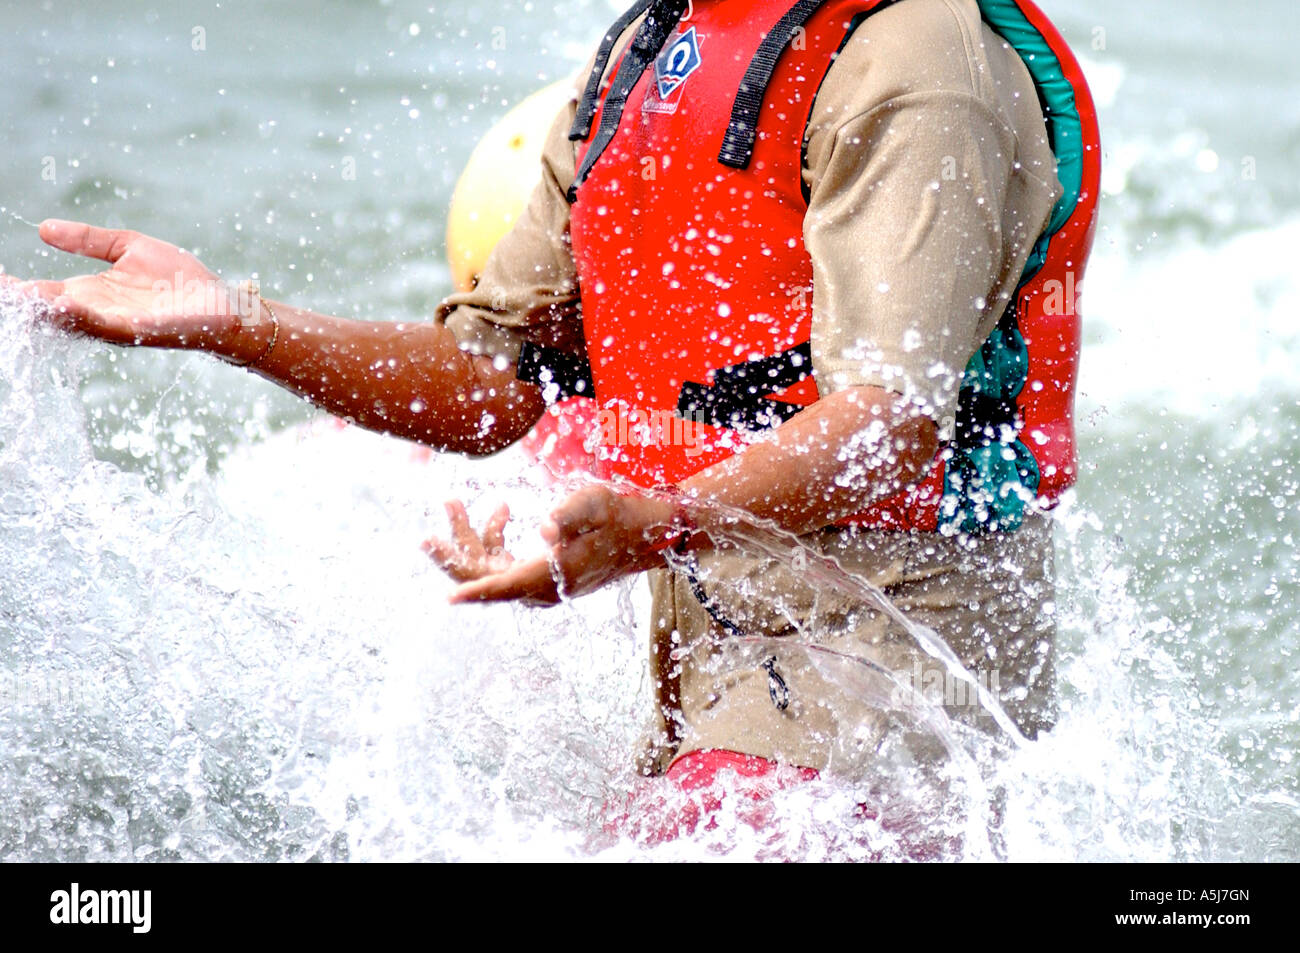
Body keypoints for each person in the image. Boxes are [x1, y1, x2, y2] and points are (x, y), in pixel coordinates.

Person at [3, 0, 1098, 831]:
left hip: (891, 616)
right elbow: (493, 385)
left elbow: (885, 425)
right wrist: (233, 321)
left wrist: (656, 518)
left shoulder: (918, 62)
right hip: (699, 596)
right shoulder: (647, 51)